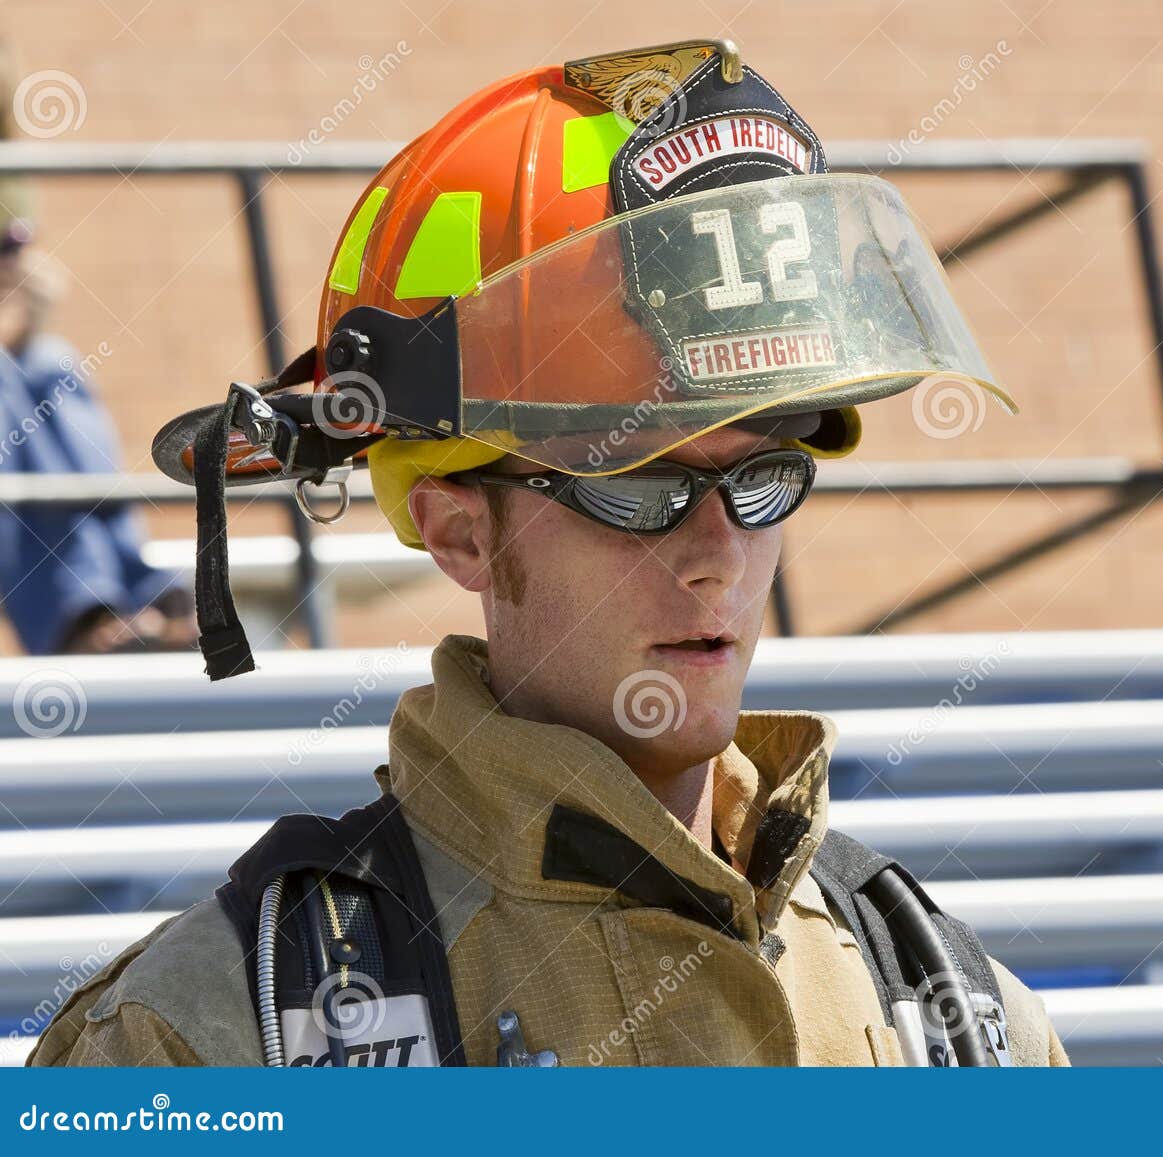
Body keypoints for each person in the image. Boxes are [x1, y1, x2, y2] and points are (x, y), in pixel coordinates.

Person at [28, 39, 1067, 1067]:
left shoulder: (950, 1006)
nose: (718, 559)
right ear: (459, 530)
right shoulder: (213, 1038)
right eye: (638, 488)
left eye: (762, 478)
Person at [0, 107, 196, 654]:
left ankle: (135, 592)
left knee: (50, 362)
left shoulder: (8, 171)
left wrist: (29, 311)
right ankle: (80, 612)